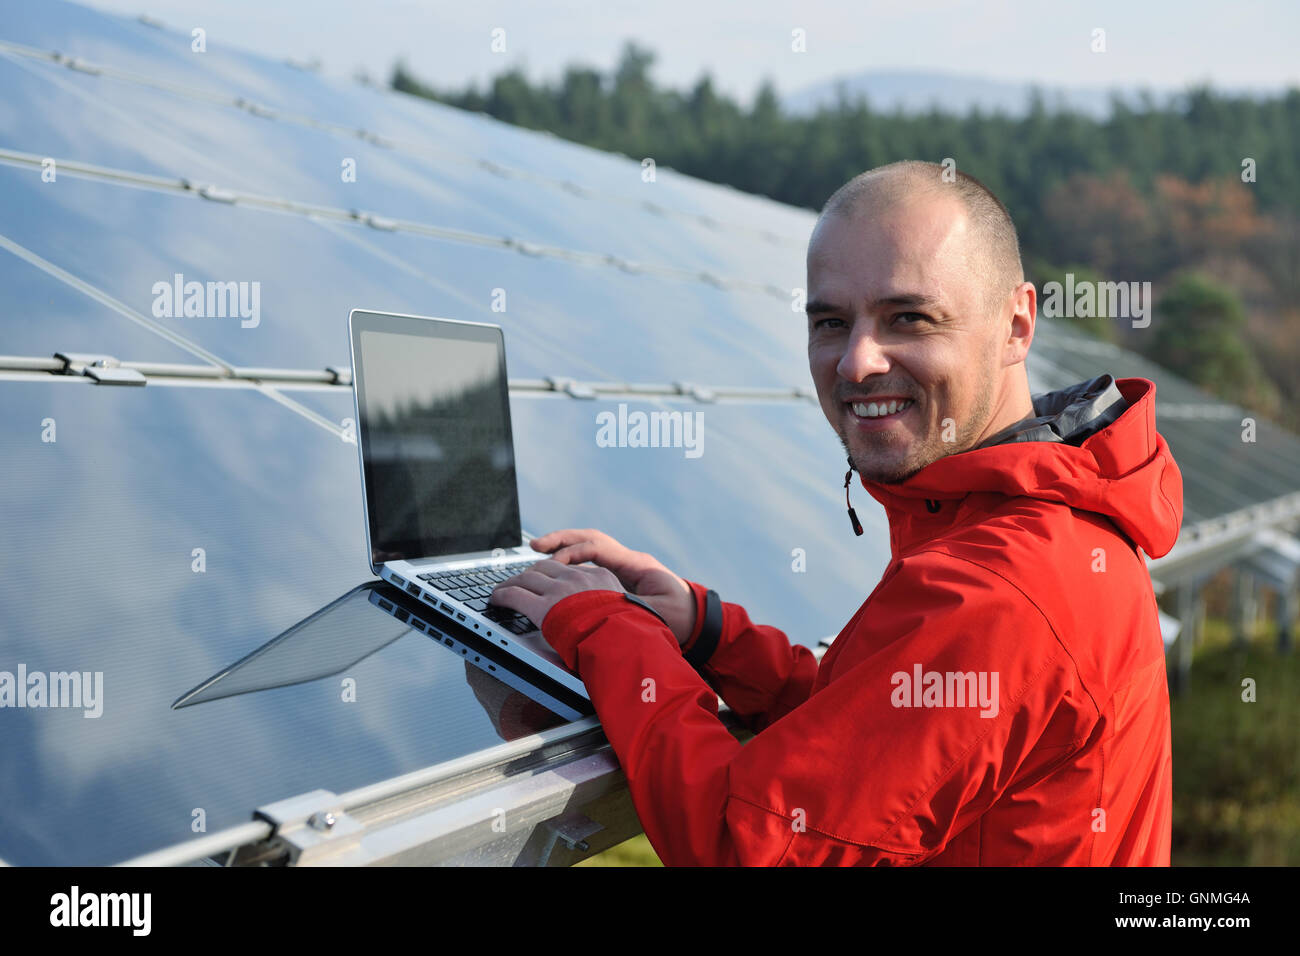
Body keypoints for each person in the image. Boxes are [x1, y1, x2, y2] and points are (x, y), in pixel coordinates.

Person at [491, 160, 1183, 865]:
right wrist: (708, 635)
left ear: (1016, 323)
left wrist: (605, 627)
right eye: (830, 321)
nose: (856, 362)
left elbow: (744, 846)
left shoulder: (997, 590)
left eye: (908, 317)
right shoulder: (1041, 521)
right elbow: (885, 748)